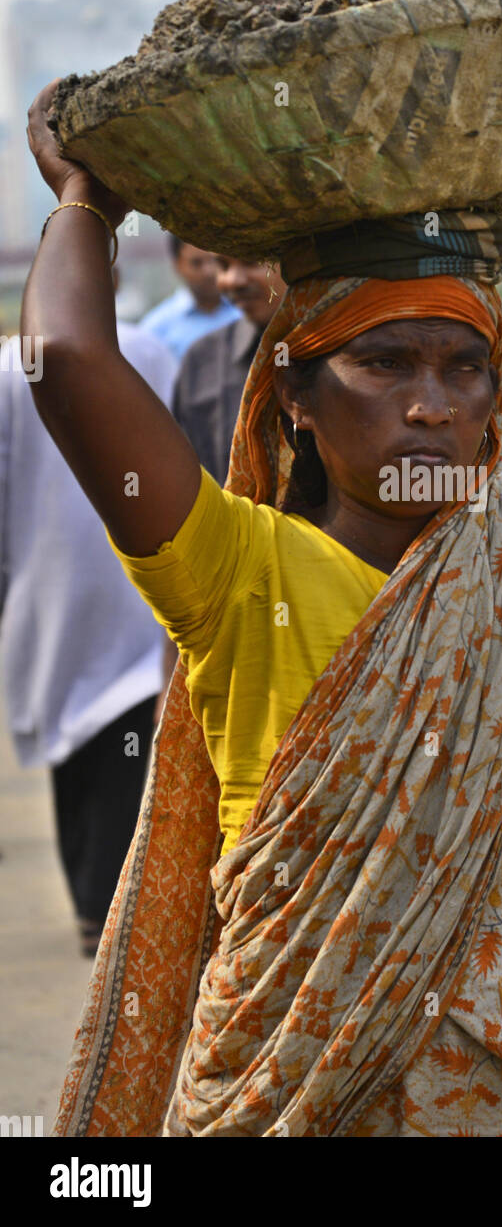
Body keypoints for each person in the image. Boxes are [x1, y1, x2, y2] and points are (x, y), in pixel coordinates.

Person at [25, 79, 502, 1137]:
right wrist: (84, 201)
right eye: (381, 362)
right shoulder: (231, 568)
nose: (429, 406)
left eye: (465, 369)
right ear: (295, 398)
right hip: (291, 1093)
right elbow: (70, 358)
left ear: (497, 400)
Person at [0, 274, 177, 957]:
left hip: (48, 587)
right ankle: (103, 903)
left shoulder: (16, 364)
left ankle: (93, 899)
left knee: (75, 744)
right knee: (120, 743)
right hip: (137, 571)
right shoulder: (151, 352)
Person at [172, 256, 281, 484]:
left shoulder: (347, 352)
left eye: (253, 259)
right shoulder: (202, 361)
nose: (233, 280)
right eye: (223, 266)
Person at [139, 234, 240, 361]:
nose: (208, 271)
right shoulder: (157, 328)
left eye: (214, 261)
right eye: (196, 263)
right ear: (177, 265)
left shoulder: (245, 311)